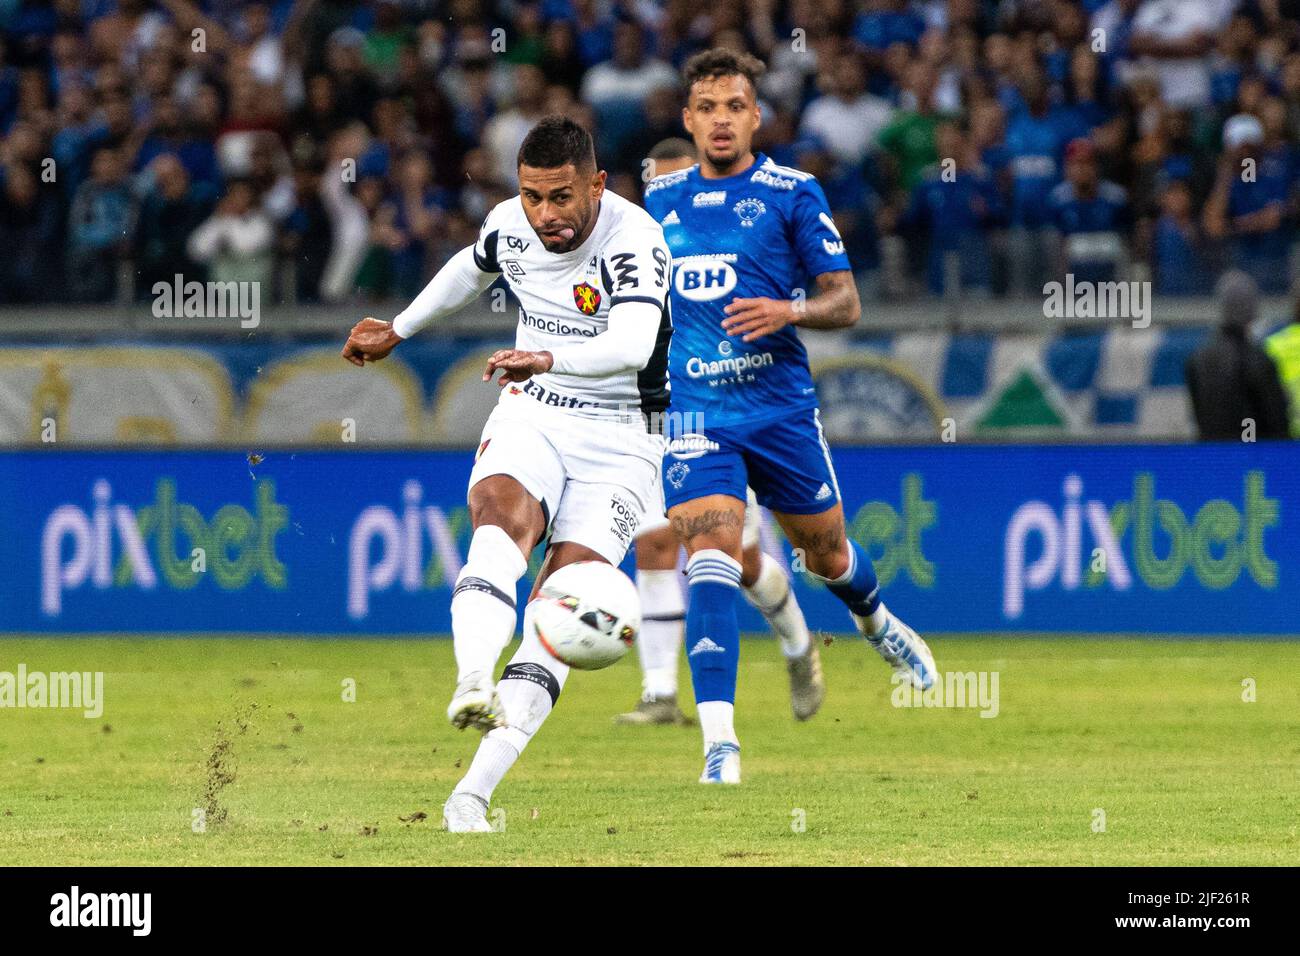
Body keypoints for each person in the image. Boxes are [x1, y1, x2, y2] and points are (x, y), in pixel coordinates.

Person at [341, 116, 672, 831]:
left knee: (558, 610)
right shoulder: (510, 223)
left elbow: (634, 342)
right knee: (500, 523)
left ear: (597, 185)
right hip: (535, 412)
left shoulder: (635, 240)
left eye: (561, 197)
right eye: (532, 197)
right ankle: (470, 682)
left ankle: (471, 795)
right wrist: (398, 327)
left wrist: (547, 355)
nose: (546, 215)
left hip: (624, 441)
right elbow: (474, 263)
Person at [642, 49, 936, 785]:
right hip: (695, 416)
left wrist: (789, 308)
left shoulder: (792, 193)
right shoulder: (658, 208)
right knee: (707, 553)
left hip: (778, 410)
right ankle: (720, 744)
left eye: (734, 107)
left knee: (826, 556)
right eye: (706, 108)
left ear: (755, 116)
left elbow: (846, 299)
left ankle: (877, 622)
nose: (719, 120)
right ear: (688, 118)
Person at [614, 140, 823, 728]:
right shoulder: (633, 248)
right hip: (656, 417)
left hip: (724, 415)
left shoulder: (729, 245)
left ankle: (798, 645)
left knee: (743, 562)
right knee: (654, 544)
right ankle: (659, 693)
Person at [1185, 270, 1290, 441]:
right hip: (1255, 461)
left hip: (1213, 460)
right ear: (1252, 309)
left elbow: (1200, 418)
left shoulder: (1197, 360)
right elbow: (1277, 424)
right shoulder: (1259, 360)